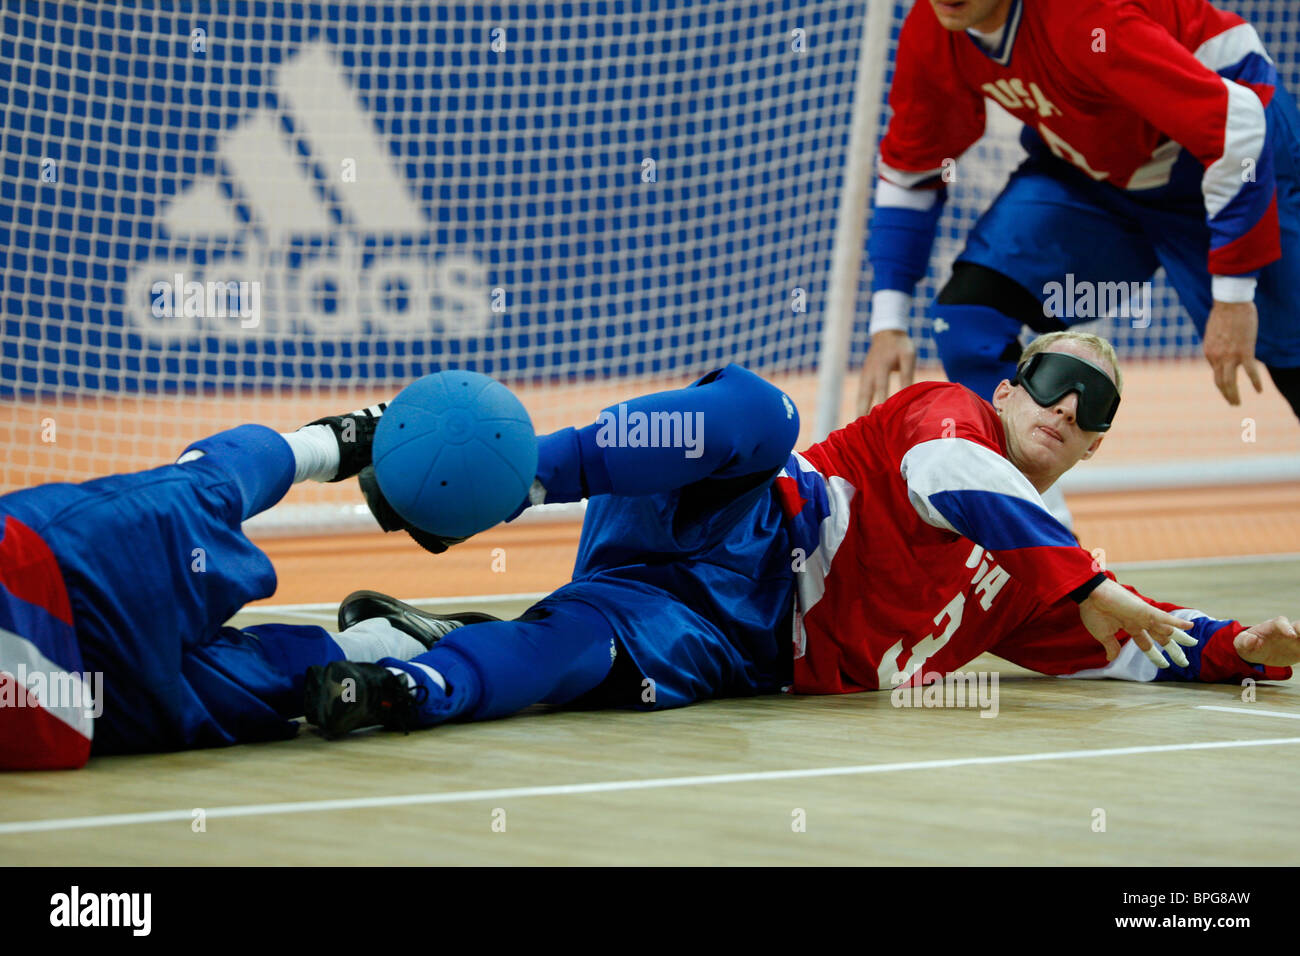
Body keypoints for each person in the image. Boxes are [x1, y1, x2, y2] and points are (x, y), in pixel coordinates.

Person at [305, 331, 1298, 738]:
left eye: (1094, 406)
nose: (1068, 406)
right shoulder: (944, 415)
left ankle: (411, 674)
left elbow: (1130, 641)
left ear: (1092, 444)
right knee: (758, 409)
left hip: (736, 638)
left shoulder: (1033, 577)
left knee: (574, 657)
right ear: (1006, 389)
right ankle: (511, 475)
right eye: (1052, 381)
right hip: (730, 512)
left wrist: (1235, 646)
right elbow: (952, 479)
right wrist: (1086, 579)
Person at [856, 0, 1300, 426]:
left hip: (1231, 155)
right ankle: (1021, 502)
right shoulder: (934, 28)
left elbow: (1236, 127)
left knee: (1293, 355)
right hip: (1094, 171)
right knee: (969, 322)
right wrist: (888, 320)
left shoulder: (1088, 18)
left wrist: (1235, 296)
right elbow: (911, 170)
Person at [0, 403, 493, 770]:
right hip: (42, 630)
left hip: (41, 703)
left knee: (235, 683)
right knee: (199, 497)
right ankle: (397, 634)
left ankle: (333, 446)